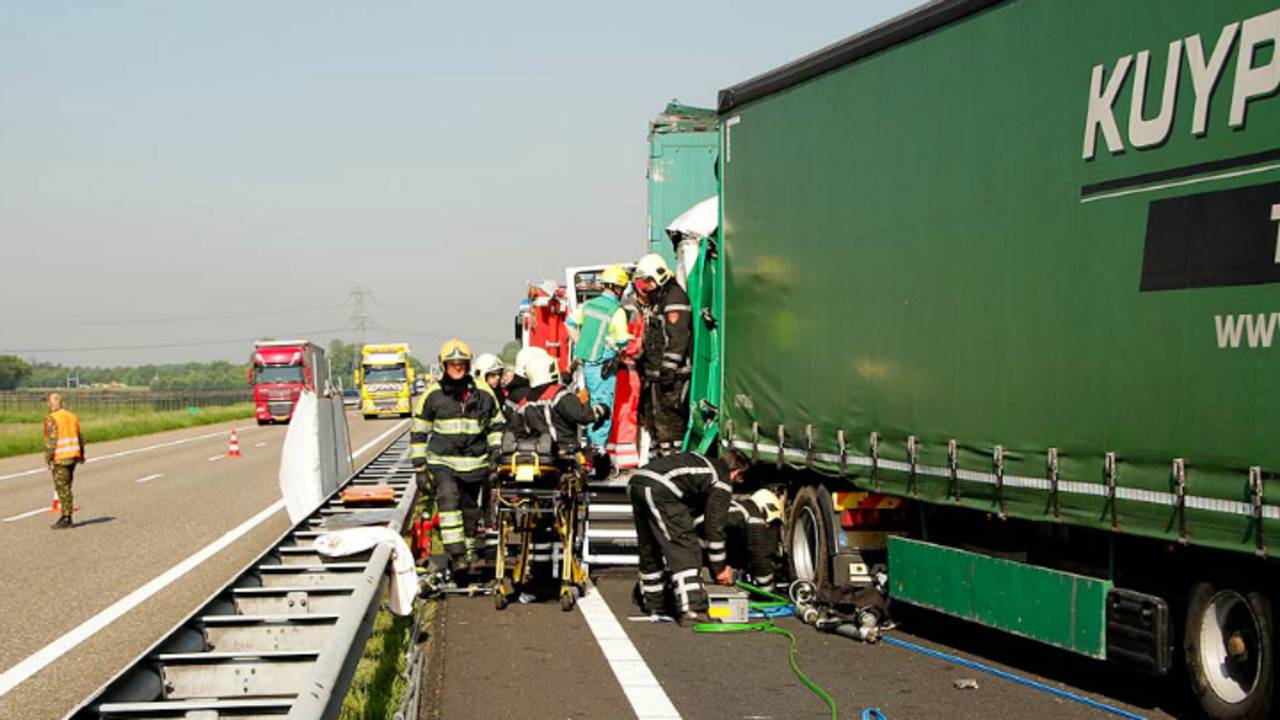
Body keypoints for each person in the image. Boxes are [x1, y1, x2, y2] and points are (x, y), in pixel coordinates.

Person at [412, 339, 504, 575]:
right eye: (452, 363)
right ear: (444, 365)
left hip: (476, 465)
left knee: (470, 512)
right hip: (443, 464)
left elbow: (496, 425)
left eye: (461, 363)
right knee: (448, 501)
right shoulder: (432, 395)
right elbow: (419, 432)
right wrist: (420, 468)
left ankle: (468, 555)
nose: (457, 367)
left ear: (468, 365)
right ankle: (457, 555)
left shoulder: (484, 393)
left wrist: (496, 454)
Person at [628, 449, 747, 624]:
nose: (737, 482)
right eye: (739, 478)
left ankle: (654, 603)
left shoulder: (704, 466)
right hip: (661, 488)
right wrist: (719, 569)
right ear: (736, 472)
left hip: (638, 481)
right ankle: (693, 609)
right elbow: (715, 527)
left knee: (650, 547)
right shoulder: (722, 480)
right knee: (685, 547)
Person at [566, 265, 632, 464]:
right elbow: (622, 340)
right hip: (604, 364)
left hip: (588, 364)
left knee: (592, 404)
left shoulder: (588, 306)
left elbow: (570, 323)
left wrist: (582, 345)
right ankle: (598, 453)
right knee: (603, 407)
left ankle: (593, 449)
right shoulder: (617, 311)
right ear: (618, 288)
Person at [633, 253, 692, 458]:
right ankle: (660, 463)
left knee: (670, 427)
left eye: (648, 281)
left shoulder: (674, 297)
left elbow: (678, 336)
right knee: (655, 425)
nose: (646, 287)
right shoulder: (659, 300)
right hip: (656, 376)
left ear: (659, 276)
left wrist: (669, 367)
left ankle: (672, 462)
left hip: (671, 378)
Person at [508, 347, 609, 459]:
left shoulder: (524, 403)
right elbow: (582, 415)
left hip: (537, 454)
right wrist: (602, 409)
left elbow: (516, 431)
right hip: (565, 452)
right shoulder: (559, 395)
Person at [698, 489, 782, 588]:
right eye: (771, 524)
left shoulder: (737, 509)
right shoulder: (754, 516)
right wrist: (767, 587)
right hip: (698, 542)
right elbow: (759, 554)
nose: (768, 528)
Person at [44, 393, 84, 529]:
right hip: (73, 455)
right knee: (66, 486)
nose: (49, 405)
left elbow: (52, 440)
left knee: (63, 488)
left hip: (60, 457)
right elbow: (79, 436)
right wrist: (81, 454)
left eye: (50, 402)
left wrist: (48, 458)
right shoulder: (72, 416)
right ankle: (66, 515)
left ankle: (67, 517)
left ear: (54, 403)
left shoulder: (52, 418)